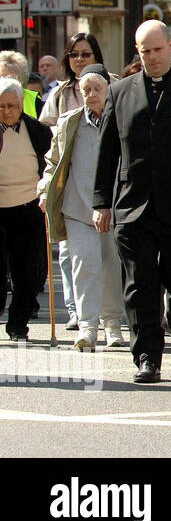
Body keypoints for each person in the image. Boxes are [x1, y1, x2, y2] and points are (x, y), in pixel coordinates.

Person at [92, 20, 171, 383]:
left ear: (169, 48)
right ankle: (147, 356)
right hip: (132, 206)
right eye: (143, 50)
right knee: (139, 285)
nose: (151, 56)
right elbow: (107, 152)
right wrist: (101, 202)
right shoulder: (119, 92)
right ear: (138, 51)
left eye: (157, 49)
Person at [38, 67, 127, 350]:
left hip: (114, 208)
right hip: (78, 208)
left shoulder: (122, 121)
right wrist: (44, 191)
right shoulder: (69, 123)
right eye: (85, 90)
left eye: (96, 89)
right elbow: (53, 162)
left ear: (109, 90)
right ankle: (88, 328)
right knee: (84, 265)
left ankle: (113, 325)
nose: (90, 95)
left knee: (112, 268)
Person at [0, 77, 53, 341]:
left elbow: (50, 167)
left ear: (22, 105)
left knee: (26, 275)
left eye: (12, 106)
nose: (7, 111)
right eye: (1, 106)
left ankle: (18, 325)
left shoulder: (39, 132)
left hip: (29, 209)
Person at [0, 51, 43, 118]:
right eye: (2, 77)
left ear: (21, 78)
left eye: (10, 78)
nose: (6, 82)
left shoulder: (34, 99)